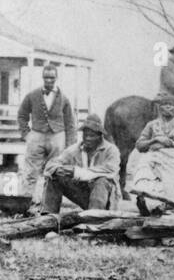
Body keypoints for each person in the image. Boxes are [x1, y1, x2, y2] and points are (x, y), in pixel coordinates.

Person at [125, 95, 174, 211]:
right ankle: (147, 203)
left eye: (171, 105)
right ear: (160, 108)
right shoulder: (152, 124)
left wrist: (172, 144)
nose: (168, 108)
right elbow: (139, 145)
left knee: (170, 181)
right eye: (165, 105)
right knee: (143, 172)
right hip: (153, 157)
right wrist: (154, 140)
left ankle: (166, 205)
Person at [18, 63, 76, 201]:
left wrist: (69, 145)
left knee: (54, 171)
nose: (49, 81)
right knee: (31, 170)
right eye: (46, 78)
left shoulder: (64, 99)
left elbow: (70, 123)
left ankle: (50, 205)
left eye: (52, 78)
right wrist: (26, 134)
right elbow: (22, 115)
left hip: (57, 138)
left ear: (56, 78)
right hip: (36, 136)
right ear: (42, 78)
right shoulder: (32, 96)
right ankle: (25, 202)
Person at [42, 113, 121, 214]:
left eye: (91, 135)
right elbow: (51, 164)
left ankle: (93, 220)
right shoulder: (75, 150)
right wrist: (58, 169)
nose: (87, 138)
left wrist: (77, 172)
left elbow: (110, 170)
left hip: (106, 201)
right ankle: (48, 216)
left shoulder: (111, 150)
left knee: (102, 180)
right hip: (85, 196)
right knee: (54, 176)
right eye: (85, 135)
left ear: (100, 136)